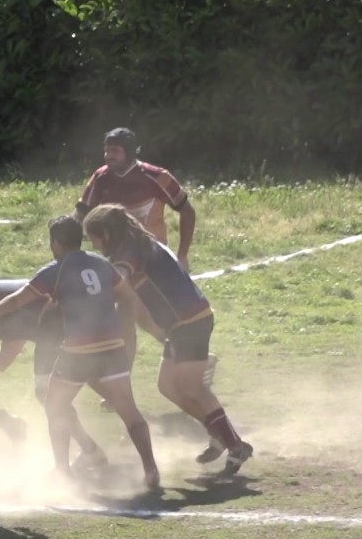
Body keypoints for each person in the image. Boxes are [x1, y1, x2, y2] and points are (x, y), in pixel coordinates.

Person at [0, 216, 160, 490]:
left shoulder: (56, 270)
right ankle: (150, 469)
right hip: (112, 347)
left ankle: (62, 471)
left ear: (56, 243)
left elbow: (19, 299)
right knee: (128, 410)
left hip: (79, 350)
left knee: (54, 404)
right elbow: (127, 295)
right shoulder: (102, 264)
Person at [82, 204, 254, 475]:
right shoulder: (138, 242)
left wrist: (87, 291)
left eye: (94, 238)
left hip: (190, 322)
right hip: (181, 324)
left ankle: (234, 444)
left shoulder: (129, 250)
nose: (94, 245)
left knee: (192, 387)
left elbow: (120, 277)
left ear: (106, 233)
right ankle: (221, 434)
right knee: (168, 386)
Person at [74, 128, 196, 273]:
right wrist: (71, 256)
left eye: (115, 151)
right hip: (117, 261)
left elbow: (187, 212)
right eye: (106, 151)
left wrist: (182, 255)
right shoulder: (100, 177)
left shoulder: (157, 176)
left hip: (153, 258)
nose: (108, 156)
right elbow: (80, 215)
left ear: (130, 153)